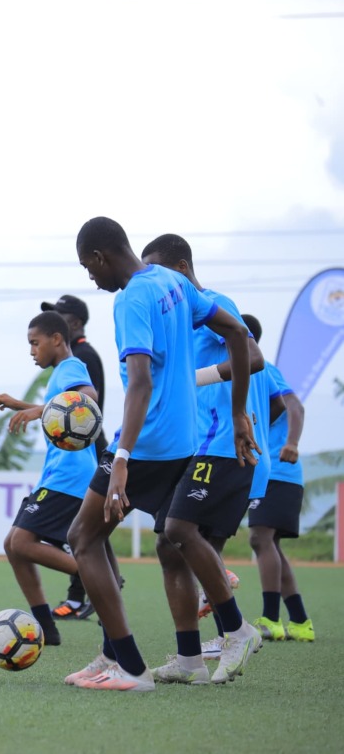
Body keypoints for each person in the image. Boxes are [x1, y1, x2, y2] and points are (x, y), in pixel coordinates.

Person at [63, 217, 259, 692]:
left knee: (84, 538)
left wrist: (123, 456)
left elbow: (141, 381)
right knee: (173, 540)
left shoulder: (131, 299)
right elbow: (237, 332)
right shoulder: (174, 282)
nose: (92, 280)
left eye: (88, 271)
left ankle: (129, 666)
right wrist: (238, 415)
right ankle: (217, 638)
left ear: (98, 257)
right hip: (185, 442)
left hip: (147, 443)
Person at [139, 235, 267, 684]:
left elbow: (252, 356)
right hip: (191, 446)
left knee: (178, 530)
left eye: (161, 271)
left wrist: (197, 377)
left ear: (182, 265)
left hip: (222, 444)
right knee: (167, 546)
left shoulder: (213, 303)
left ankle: (237, 631)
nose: (157, 283)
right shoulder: (176, 322)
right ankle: (189, 660)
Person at [0, 311, 98, 647]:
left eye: (35, 343)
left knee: (21, 542)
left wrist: (35, 410)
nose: (32, 351)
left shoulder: (71, 367)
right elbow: (59, 407)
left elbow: (87, 398)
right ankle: (46, 629)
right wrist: (20, 406)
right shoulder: (58, 374)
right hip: (57, 473)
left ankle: (94, 575)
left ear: (56, 339)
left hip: (70, 474)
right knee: (13, 546)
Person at [242, 314, 315, 643]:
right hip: (270, 471)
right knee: (268, 542)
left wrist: (292, 444)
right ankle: (299, 621)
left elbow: (295, 407)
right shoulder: (243, 373)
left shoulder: (264, 369)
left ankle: (271, 618)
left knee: (260, 538)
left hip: (280, 470)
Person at [40, 294, 106, 621]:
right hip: (80, 449)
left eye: (59, 316)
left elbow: (84, 403)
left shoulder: (82, 357)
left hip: (86, 450)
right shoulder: (69, 359)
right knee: (90, 530)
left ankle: (86, 591)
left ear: (74, 324)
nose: (54, 321)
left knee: (82, 532)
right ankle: (97, 585)